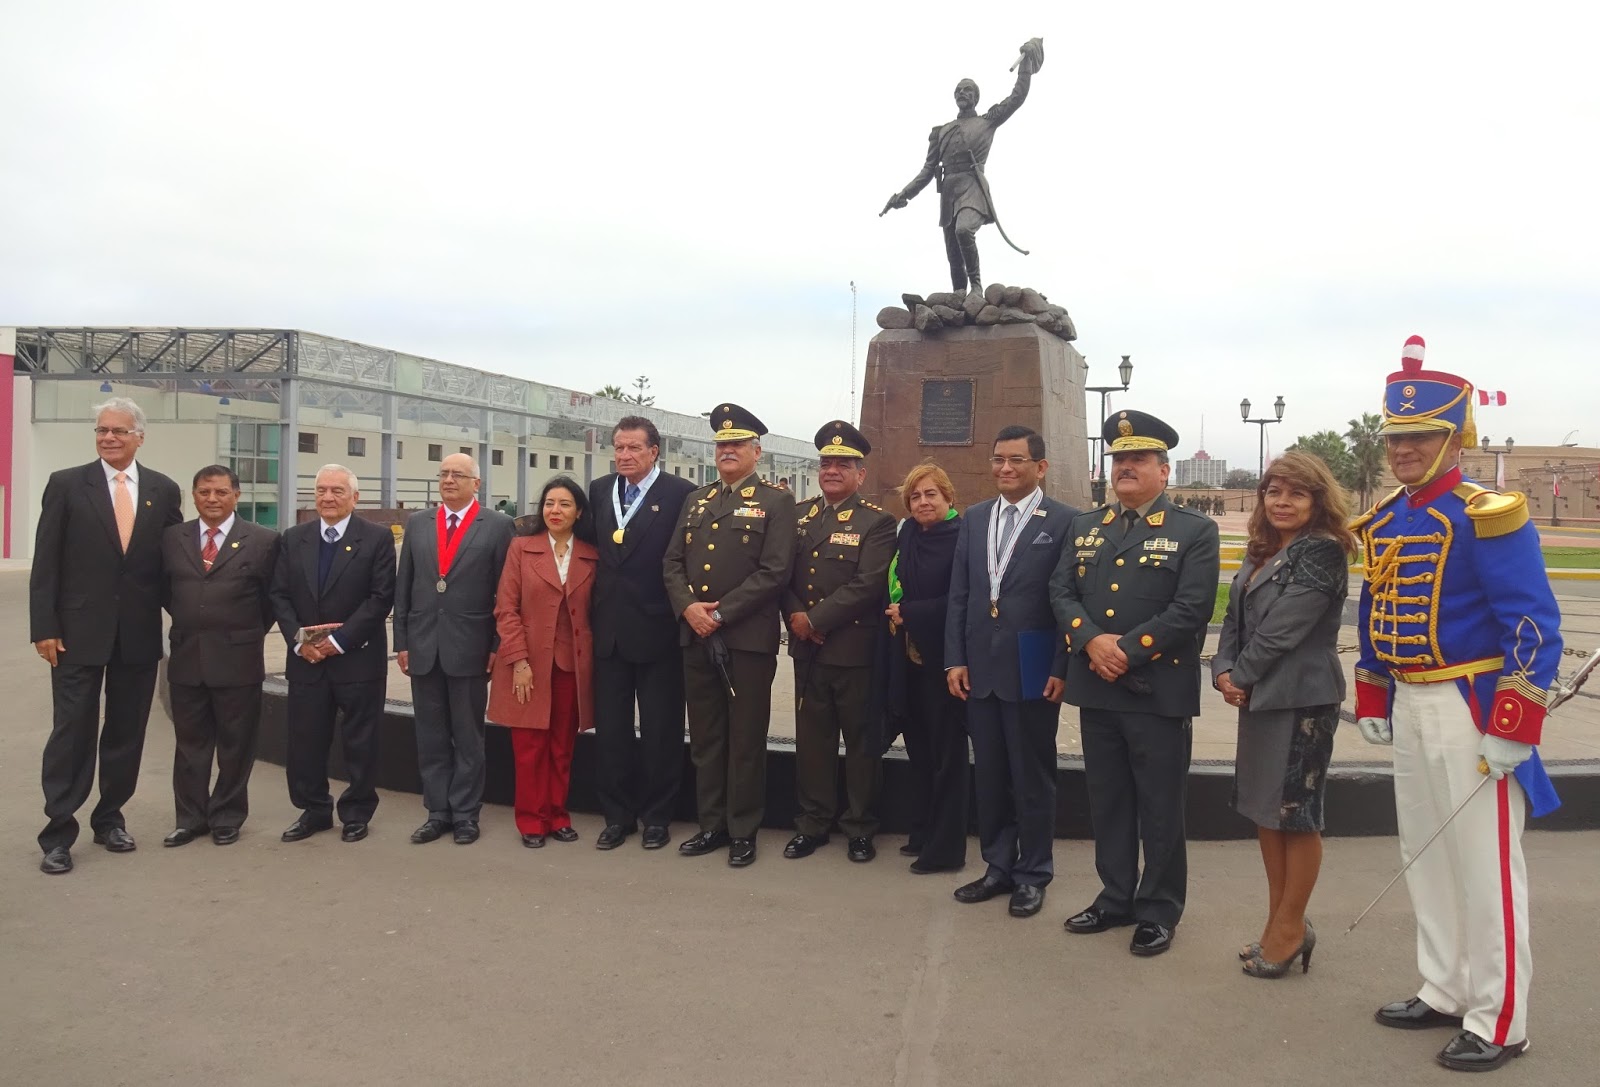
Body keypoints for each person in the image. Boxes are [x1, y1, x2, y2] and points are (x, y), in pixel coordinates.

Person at [1353, 336, 1562, 1073]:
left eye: (1421, 436)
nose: (1404, 450)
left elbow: (1532, 624)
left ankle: (1501, 1019)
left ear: (1456, 439)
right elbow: (1374, 609)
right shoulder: (1388, 516)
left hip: (1471, 704)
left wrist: (1515, 723)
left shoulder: (1488, 513)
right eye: (1396, 437)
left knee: (1487, 868)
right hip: (1411, 703)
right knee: (1426, 853)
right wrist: (1373, 689)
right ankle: (1444, 987)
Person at [1050, 411, 1220, 956]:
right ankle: (1115, 897)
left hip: (1157, 691)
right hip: (1097, 687)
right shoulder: (1085, 526)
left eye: (1138, 459)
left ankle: (1159, 908)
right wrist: (1090, 641)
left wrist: (1124, 650)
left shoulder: (1194, 530)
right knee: (1109, 802)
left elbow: (1191, 608)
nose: (1125, 466)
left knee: (1160, 807)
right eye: (1119, 459)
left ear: (1164, 471)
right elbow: (1061, 592)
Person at [1210, 451, 1356, 977]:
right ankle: (1280, 922)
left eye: (1296, 493)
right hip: (1260, 697)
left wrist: (1241, 676)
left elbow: (1282, 630)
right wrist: (1222, 670)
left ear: (1318, 499)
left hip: (1301, 700)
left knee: (1296, 815)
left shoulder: (1323, 551)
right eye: (1274, 491)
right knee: (1266, 813)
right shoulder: (1263, 549)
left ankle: (1290, 927)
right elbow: (1234, 619)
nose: (1282, 502)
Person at [30, 397, 183, 874]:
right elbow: (46, 560)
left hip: (137, 635)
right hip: (75, 635)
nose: (109, 438)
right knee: (71, 731)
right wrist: (44, 626)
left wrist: (195, 616)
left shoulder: (163, 489)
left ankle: (110, 818)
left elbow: (172, 565)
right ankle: (58, 833)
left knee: (125, 732)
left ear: (140, 436)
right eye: (102, 430)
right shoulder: (66, 484)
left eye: (118, 430)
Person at [944, 425, 1077, 918]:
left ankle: (1033, 873)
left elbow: (1068, 601)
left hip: (1033, 665)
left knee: (1031, 776)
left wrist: (1062, 664)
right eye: (998, 459)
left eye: (1016, 460)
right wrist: (955, 658)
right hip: (980, 666)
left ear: (1040, 467)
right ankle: (998, 866)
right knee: (991, 773)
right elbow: (961, 593)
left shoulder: (1065, 521)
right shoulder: (976, 518)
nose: (1005, 468)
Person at [663, 404, 796, 867]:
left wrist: (719, 615)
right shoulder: (697, 499)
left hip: (747, 641)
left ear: (756, 451)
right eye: (721, 444)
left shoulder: (776, 502)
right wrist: (688, 608)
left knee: (745, 740)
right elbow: (672, 562)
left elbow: (775, 571)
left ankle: (742, 830)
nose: (727, 451)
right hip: (696, 636)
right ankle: (711, 825)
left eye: (737, 443)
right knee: (706, 739)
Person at [780, 422, 897, 863]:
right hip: (807, 649)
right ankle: (812, 824)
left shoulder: (877, 522)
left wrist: (814, 619)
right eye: (826, 463)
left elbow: (868, 584)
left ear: (860, 474)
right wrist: (797, 618)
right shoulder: (797, 516)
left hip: (853, 651)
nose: (831, 470)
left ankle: (860, 827)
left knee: (861, 745)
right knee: (813, 742)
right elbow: (780, 574)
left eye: (842, 464)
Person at [269, 464, 396, 844]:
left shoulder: (376, 539)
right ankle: (314, 810)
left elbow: (380, 598)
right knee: (305, 741)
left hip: (358, 659)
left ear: (355, 498)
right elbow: (279, 595)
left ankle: (356, 812)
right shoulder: (294, 538)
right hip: (306, 661)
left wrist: (338, 642)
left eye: (337, 491)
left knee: (361, 741)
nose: (327, 497)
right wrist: (299, 641)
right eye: (321, 490)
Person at [394, 453, 513, 846]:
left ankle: (465, 814)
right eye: (443, 474)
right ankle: (437, 813)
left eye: (457, 475)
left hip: (471, 647)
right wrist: (402, 641)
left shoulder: (497, 526)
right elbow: (404, 585)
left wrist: (496, 644)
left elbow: (506, 593)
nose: (448, 480)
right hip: (424, 645)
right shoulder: (418, 523)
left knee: (467, 736)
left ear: (476, 484)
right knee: (430, 736)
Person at [588, 416, 696, 851]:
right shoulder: (599, 490)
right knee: (611, 732)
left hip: (658, 630)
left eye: (634, 448)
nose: (624, 455)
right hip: (609, 632)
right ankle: (617, 817)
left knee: (661, 732)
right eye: (618, 447)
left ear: (654, 451)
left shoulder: (681, 494)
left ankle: (657, 817)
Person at [160, 465, 280, 847]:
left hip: (238, 659)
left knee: (235, 745)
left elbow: (270, 601)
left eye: (221, 492)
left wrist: (239, 633)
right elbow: (166, 591)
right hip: (186, 657)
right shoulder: (172, 538)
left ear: (236, 495)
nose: (212, 499)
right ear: (194, 495)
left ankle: (227, 816)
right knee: (189, 746)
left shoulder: (263, 540)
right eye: (204, 492)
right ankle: (190, 818)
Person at [881, 39, 1044, 294]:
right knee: (952, 249)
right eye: (958, 90)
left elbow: (1017, 97)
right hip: (948, 192)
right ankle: (959, 293)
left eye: (967, 90)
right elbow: (927, 170)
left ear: (976, 97)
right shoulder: (941, 131)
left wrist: (1026, 64)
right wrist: (904, 194)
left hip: (972, 186)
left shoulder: (987, 121)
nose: (962, 93)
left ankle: (976, 286)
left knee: (964, 230)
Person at [487, 476, 598, 848]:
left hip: (570, 666)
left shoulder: (591, 554)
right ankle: (531, 820)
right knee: (530, 748)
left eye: (565, 504)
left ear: (578, 512)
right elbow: (506, 609)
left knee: (562, 747)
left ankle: (557, 815)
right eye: (550, 503)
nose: (555, 511)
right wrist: (519, 661)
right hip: (528, 665)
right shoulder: (521, 549)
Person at [884, 461, 968, 874]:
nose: (923, 502)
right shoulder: (909, 535)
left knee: (947, 756)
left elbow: (962, 598)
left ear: (948, 496)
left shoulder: (963, 537)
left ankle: (946, 849)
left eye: (931, 494)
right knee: (918, 750)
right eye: (915, 496)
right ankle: (922, 830)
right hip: (909, 661)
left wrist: (910, 614)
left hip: (945, 663)